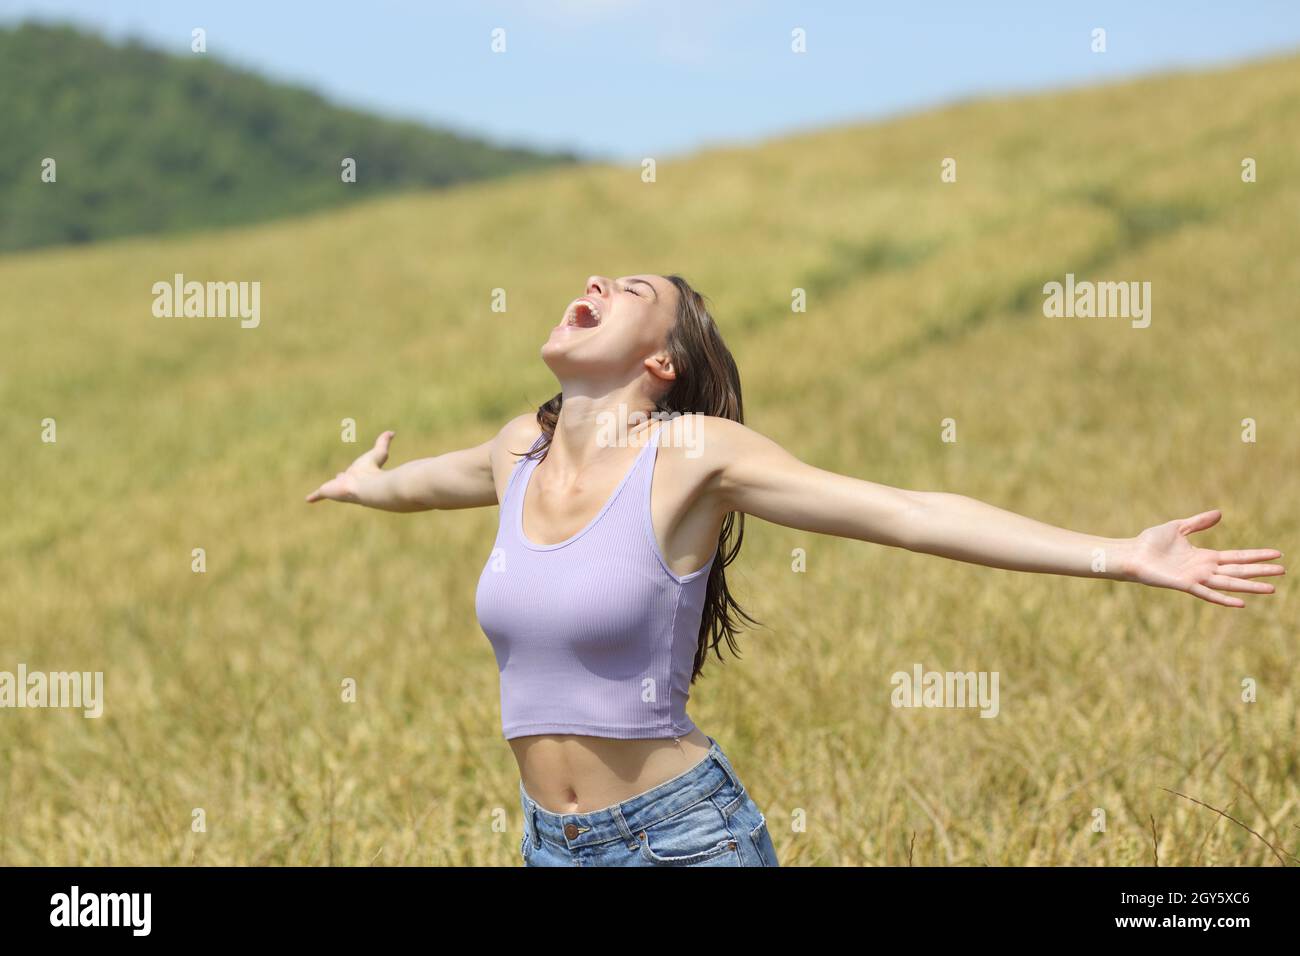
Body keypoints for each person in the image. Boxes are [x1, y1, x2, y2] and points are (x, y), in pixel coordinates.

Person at [306, 273, 1283, 866]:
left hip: (682, 837)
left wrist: (1120, 554)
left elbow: (907, 512)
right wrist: (366, 482)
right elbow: (429, 482)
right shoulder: (516, 447)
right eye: (597, 280)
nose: (598, 283)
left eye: (632, 293)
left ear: (659, 364)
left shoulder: (693, 455)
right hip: (547, 843)